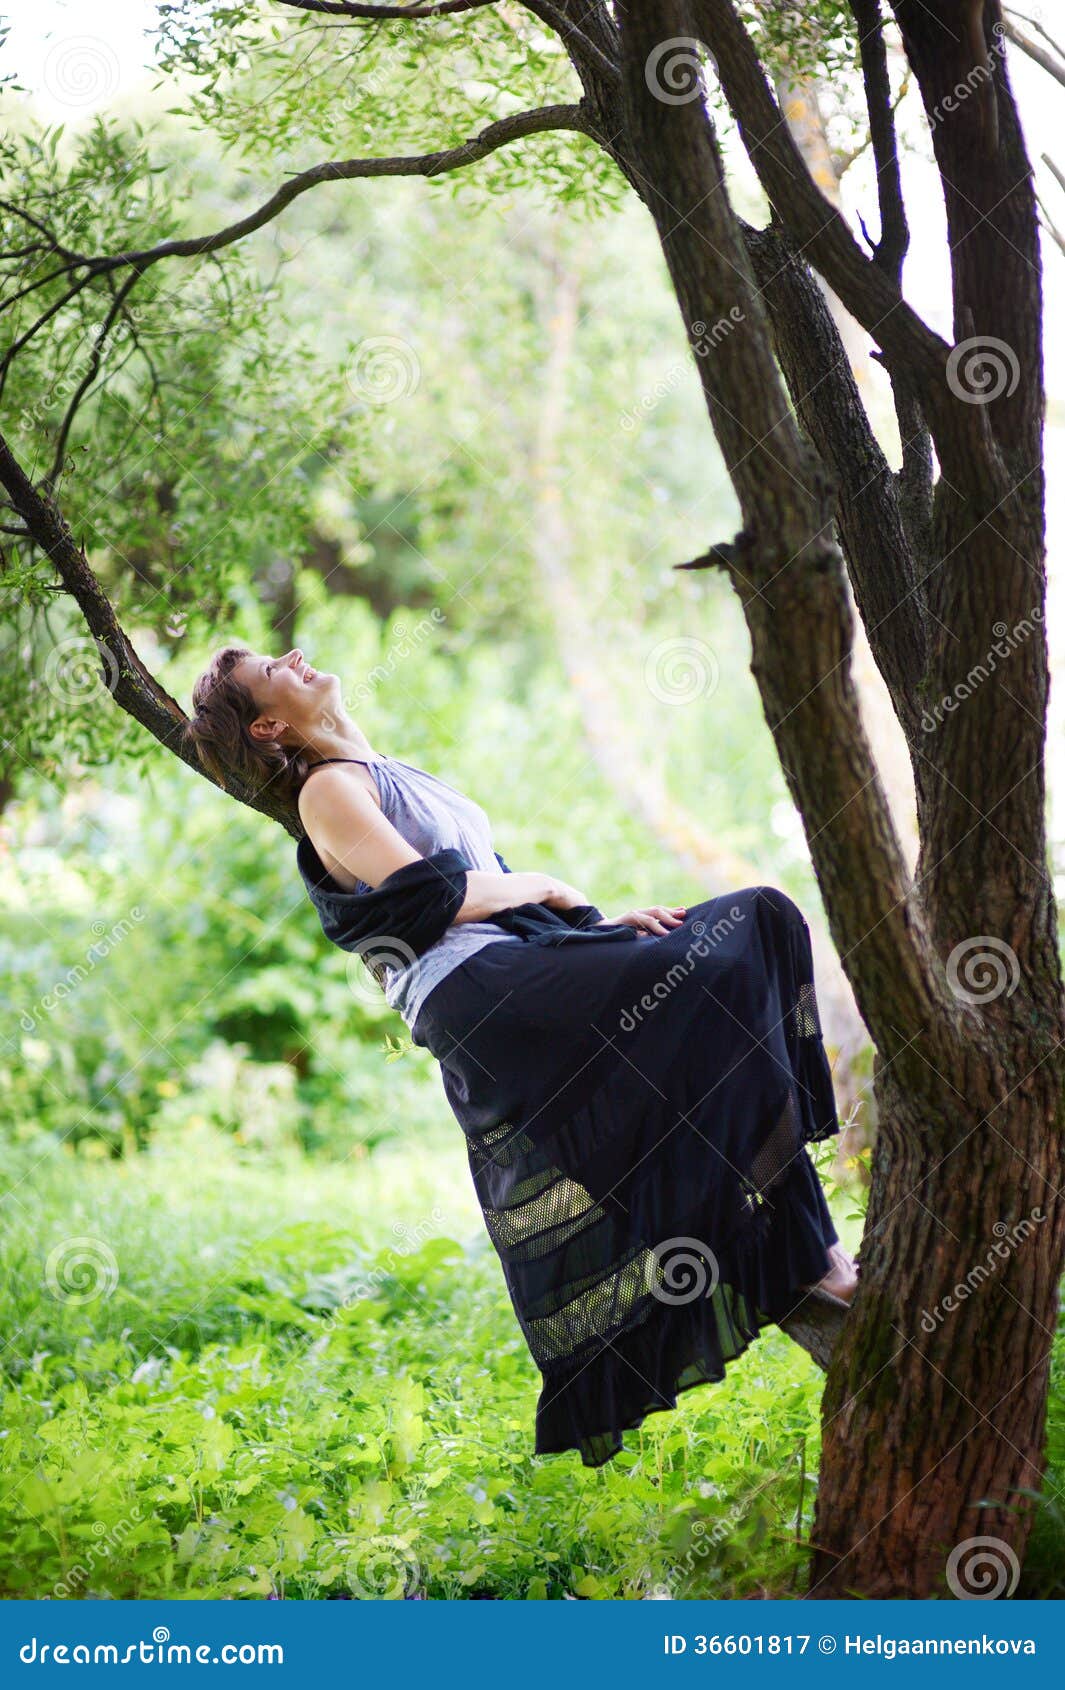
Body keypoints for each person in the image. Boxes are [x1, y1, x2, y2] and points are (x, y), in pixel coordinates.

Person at [185, 643, 858, 1468]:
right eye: (270, 668)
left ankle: (802, 1257)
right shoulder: (328, 789)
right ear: (268, 723)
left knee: (755, 920)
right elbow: (434, 901)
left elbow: (478, 884)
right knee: (716, 980)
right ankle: (807, 1263)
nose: (293, 654)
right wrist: (544, 886)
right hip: (479, 995)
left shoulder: (380, 767)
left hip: (518, 961)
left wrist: (594, 928)